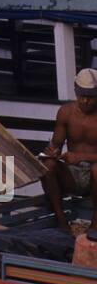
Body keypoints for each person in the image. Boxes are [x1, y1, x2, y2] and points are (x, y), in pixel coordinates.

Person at [40, 68, 97, 231]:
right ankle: (62, 221)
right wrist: (53, 152)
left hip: (94, 175)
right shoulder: (66, 112)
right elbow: (56, 144)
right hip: (72, 174)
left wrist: (79, 156)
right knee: (48, 165)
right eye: (81, 96)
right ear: (75, 91)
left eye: (91, 97)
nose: (85, 101)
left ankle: (95, 226)